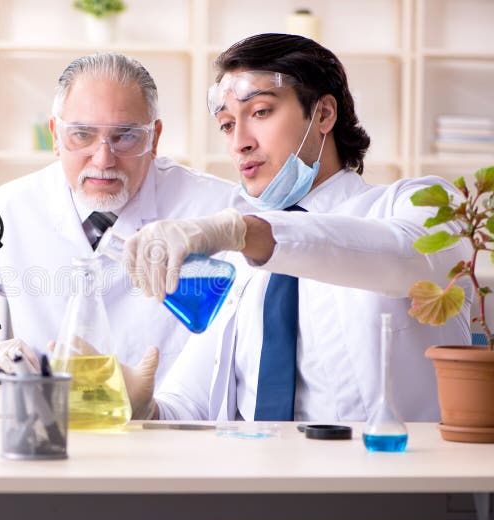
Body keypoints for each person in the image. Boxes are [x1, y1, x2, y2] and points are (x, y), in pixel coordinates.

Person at [122, 33, 472, 422]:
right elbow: (193, 403)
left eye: (260, 112)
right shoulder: (238, 260)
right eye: (226, 125)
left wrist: (245, 232)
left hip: (383, 461)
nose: (239, 143)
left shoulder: (414, 204)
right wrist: (143, 408)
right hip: (252, 461)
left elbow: (404, 257)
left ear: (323, 114)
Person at [0, 53, 235, 387]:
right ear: (56, 136)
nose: (103, 160)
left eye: (125, 136)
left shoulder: (216, 207)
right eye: (82, 134)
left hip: (169, 416)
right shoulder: (9, 209)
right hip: (50, 413)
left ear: (154, 138)